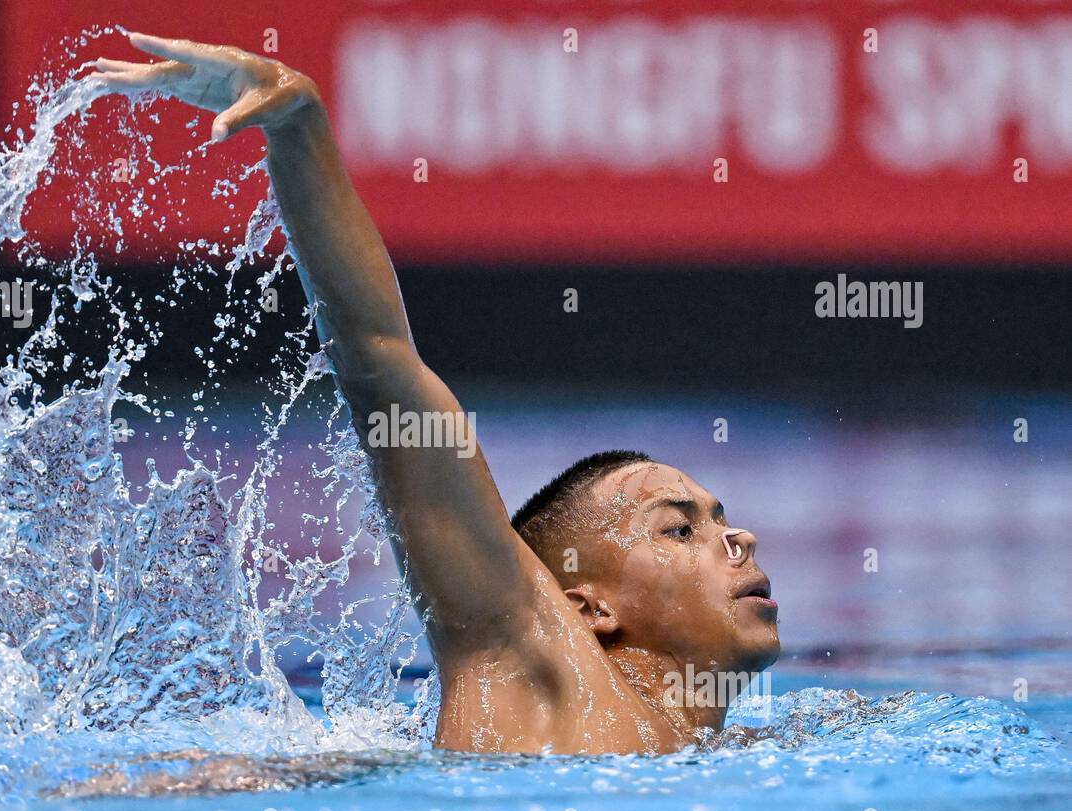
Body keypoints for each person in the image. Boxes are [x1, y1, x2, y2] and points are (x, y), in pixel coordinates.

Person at [92, 34, 779, 755]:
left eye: (717, 518)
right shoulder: (539, 665)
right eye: (680, 529)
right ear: (588, 607)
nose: (740, 539)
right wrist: (300, 131)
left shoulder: (740, 749)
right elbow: (377, 358)